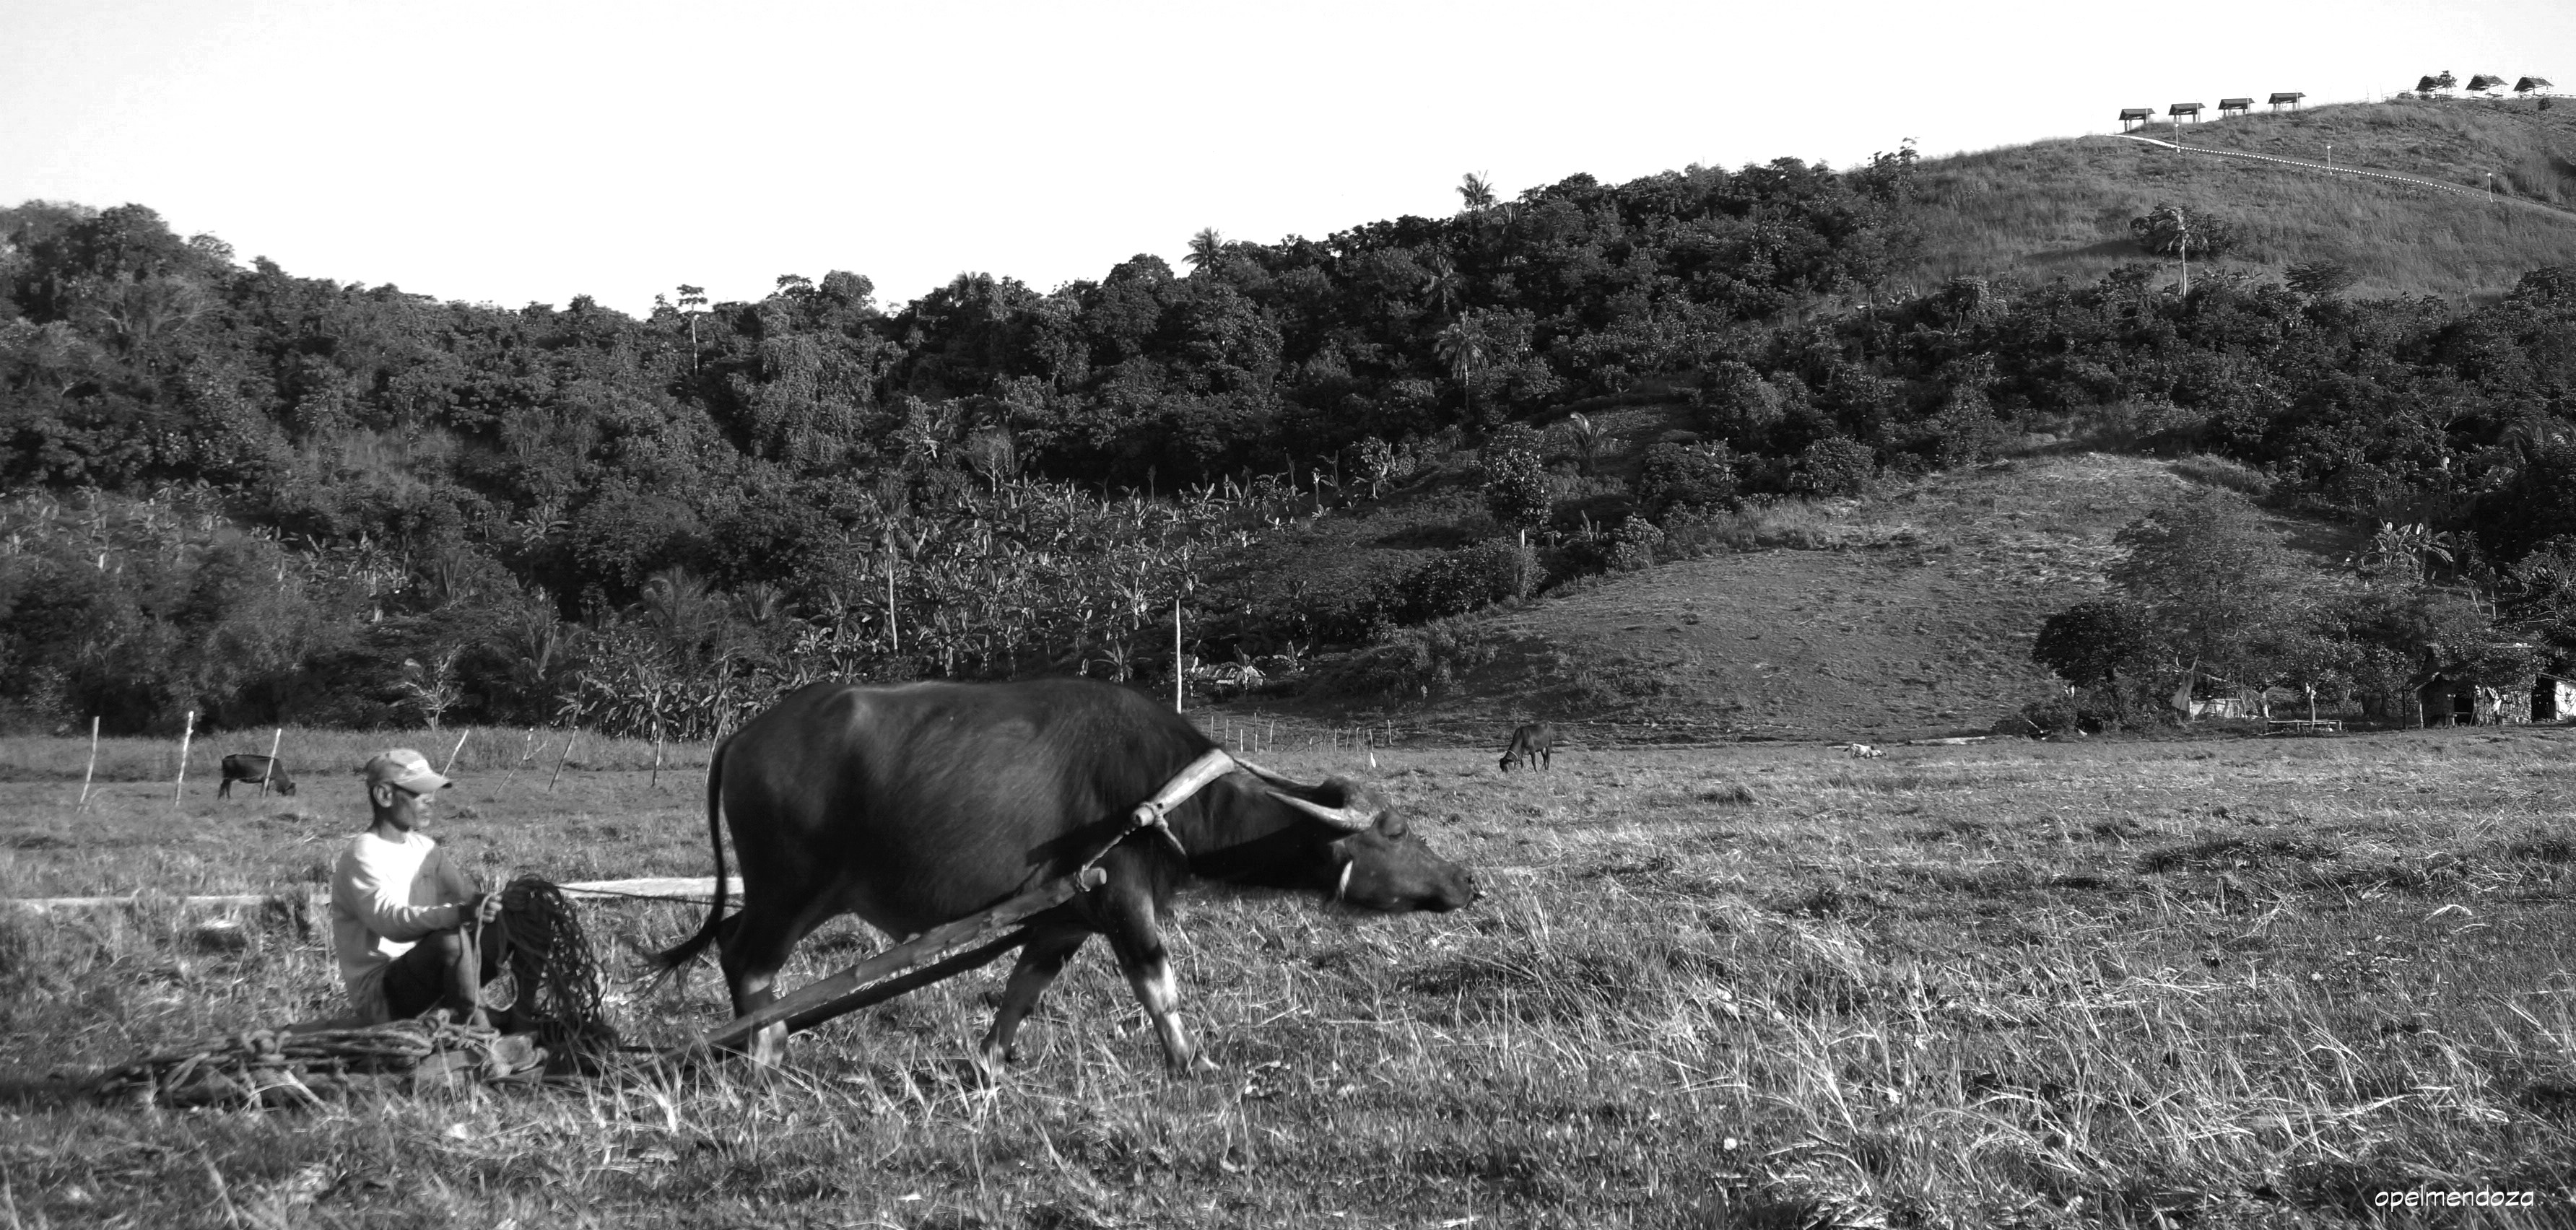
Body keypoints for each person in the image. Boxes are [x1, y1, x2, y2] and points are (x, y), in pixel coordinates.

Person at [327, 749, 506, 1027]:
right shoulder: (362, 855)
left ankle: (521, 1017)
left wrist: (494, 904)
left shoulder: (426, 849)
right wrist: (459, 914)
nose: (430, 800)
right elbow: (392, 923)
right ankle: (478, 1025)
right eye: (418, 792)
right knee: (450, 939)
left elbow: (467, 897)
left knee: (517, 922)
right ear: (385, 796)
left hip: (426, 974)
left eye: (431, 792)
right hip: (382, 996)